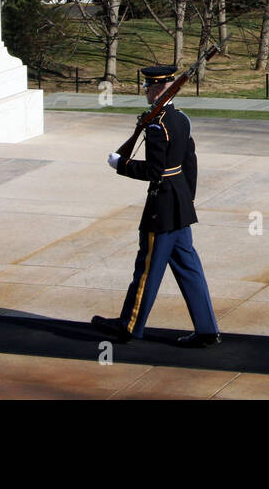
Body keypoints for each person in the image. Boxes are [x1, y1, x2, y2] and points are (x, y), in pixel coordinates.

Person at [91, 64, 221, 347]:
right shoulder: (182, 119)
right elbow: (190, 162)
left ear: (159, 88)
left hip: (160, 208)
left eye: (148, 87)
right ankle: (207, 328)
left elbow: (154, 171)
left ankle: (130, 325)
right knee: (189, 268)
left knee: (147, 268)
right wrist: (189, 199)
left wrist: (121, 164)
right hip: (181, 206)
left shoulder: (157, 126)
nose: (146, 92)